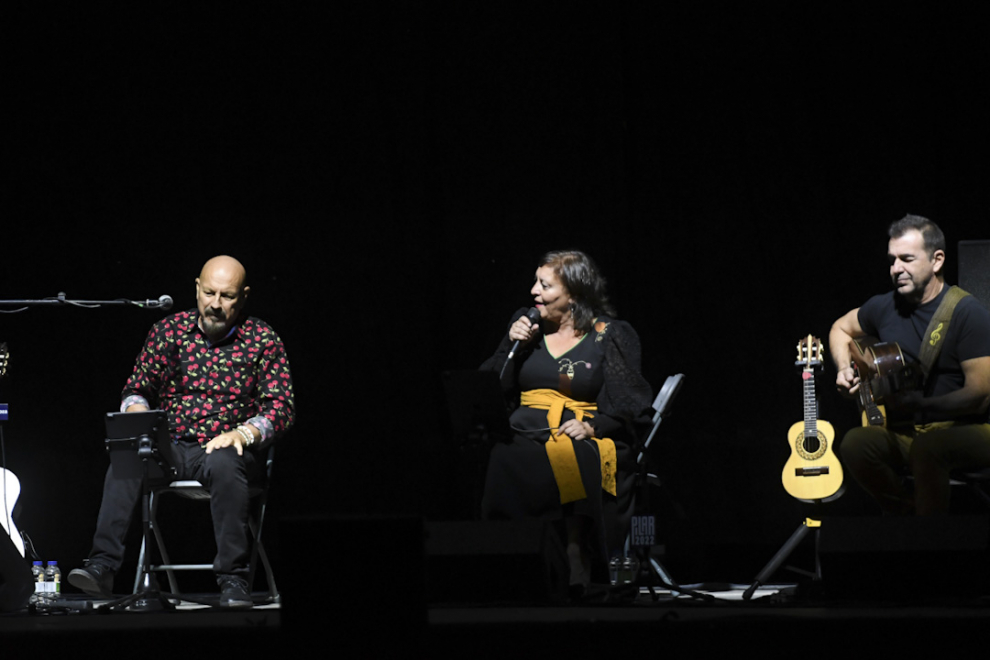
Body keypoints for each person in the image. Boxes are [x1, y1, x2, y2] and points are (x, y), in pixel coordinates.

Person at [68, 255, 295, 607]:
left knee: (224, 460)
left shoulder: (262, 339)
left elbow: (280, 407)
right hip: (171, 446)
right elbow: (136, 388)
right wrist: (137, 409)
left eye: (228, 296)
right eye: (209, 293)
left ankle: (232, 580)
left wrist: (242, 434)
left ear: (244, 296)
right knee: (129, 452)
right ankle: (102, 567)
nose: (215, 304)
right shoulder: (168, 332)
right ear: (196, 289)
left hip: (226, 452)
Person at [481, 250, 653, 595]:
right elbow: (491, 384)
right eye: (535, 282)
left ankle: (577, 554)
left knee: (572, 453)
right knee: (502, 456)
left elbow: (630, 400)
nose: (533, 292)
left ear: (573, 294)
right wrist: (513, 346)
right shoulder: (526, 326)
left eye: (544, 285)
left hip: (580, 427)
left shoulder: (608, 333)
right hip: (524, 427)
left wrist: (595, 427)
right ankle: (508, 562)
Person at [830, 215, 990, 515]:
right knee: (856, 444)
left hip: (973, 429)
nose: (896, 269)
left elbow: (980, 395)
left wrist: (925, 405)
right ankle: (906, 517)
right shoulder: (885, 306)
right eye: (892, 260)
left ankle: (929, 541)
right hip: (912, 430)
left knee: (929, 449)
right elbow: (840, 328)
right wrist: (843, 368)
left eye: (907, 259)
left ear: (937, 260)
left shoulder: (968, 313)